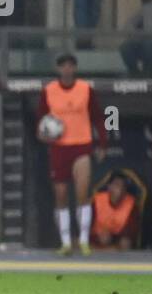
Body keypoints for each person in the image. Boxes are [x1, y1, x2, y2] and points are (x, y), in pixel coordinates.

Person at [37, 53, 107, 256]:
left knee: (82, 193)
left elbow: (98, 117)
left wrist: (102, 143)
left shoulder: (85, 89)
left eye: (70, 66)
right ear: (58, 69)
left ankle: (84, 240)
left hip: (81, 145)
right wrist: (42, 134)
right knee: (60, 196)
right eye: (63, 66)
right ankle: (66, 242)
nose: (67, 70)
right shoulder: (49, 91)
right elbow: (41, 120)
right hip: (59, 147)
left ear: (75, 68)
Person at [91, 171, 137, 251]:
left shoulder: (131, 205)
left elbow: (128, 239)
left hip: (116, 245)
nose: (120, 189)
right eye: (117, 185)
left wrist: (111, 239)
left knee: (125, 245)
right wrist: (100, 236)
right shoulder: (97, 200)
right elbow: (83, 229)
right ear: (109, 187)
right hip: (96, 241)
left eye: (123, 186)